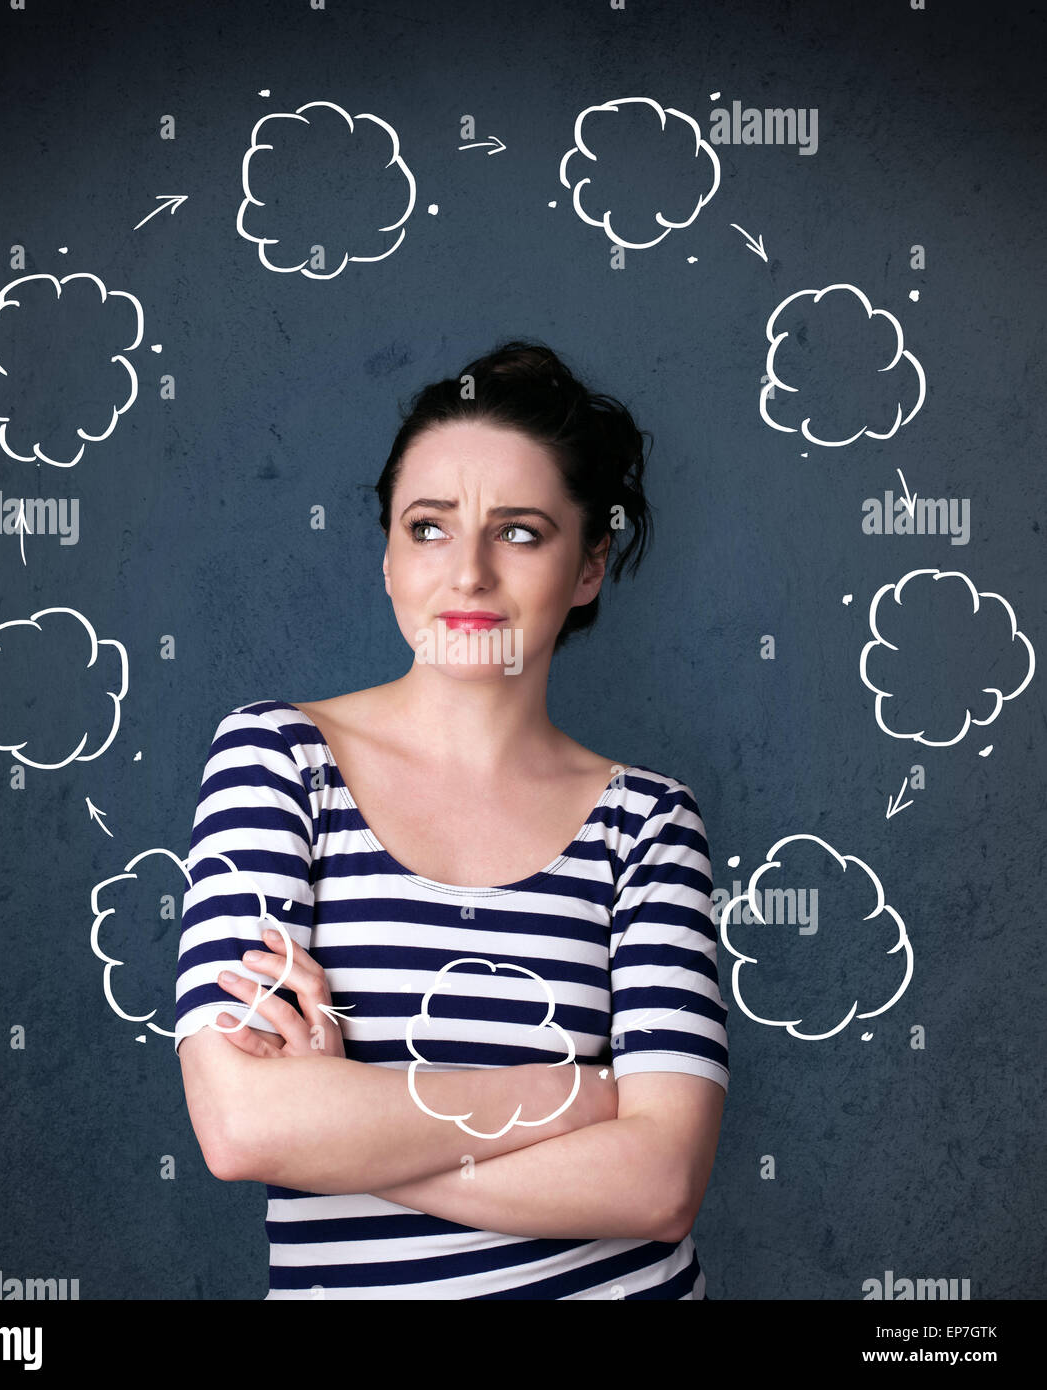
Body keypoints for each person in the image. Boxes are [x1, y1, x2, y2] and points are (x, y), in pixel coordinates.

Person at [174, 340, 729, 1299]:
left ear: (590, 564)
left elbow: (660, 1184)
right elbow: (245, 1130)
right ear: (388, 557)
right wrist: (577, 1095)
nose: (467, 571)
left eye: (519, 531)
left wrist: (350, 1132)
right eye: (428, 527)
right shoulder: (276, 760)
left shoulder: (649, 824)